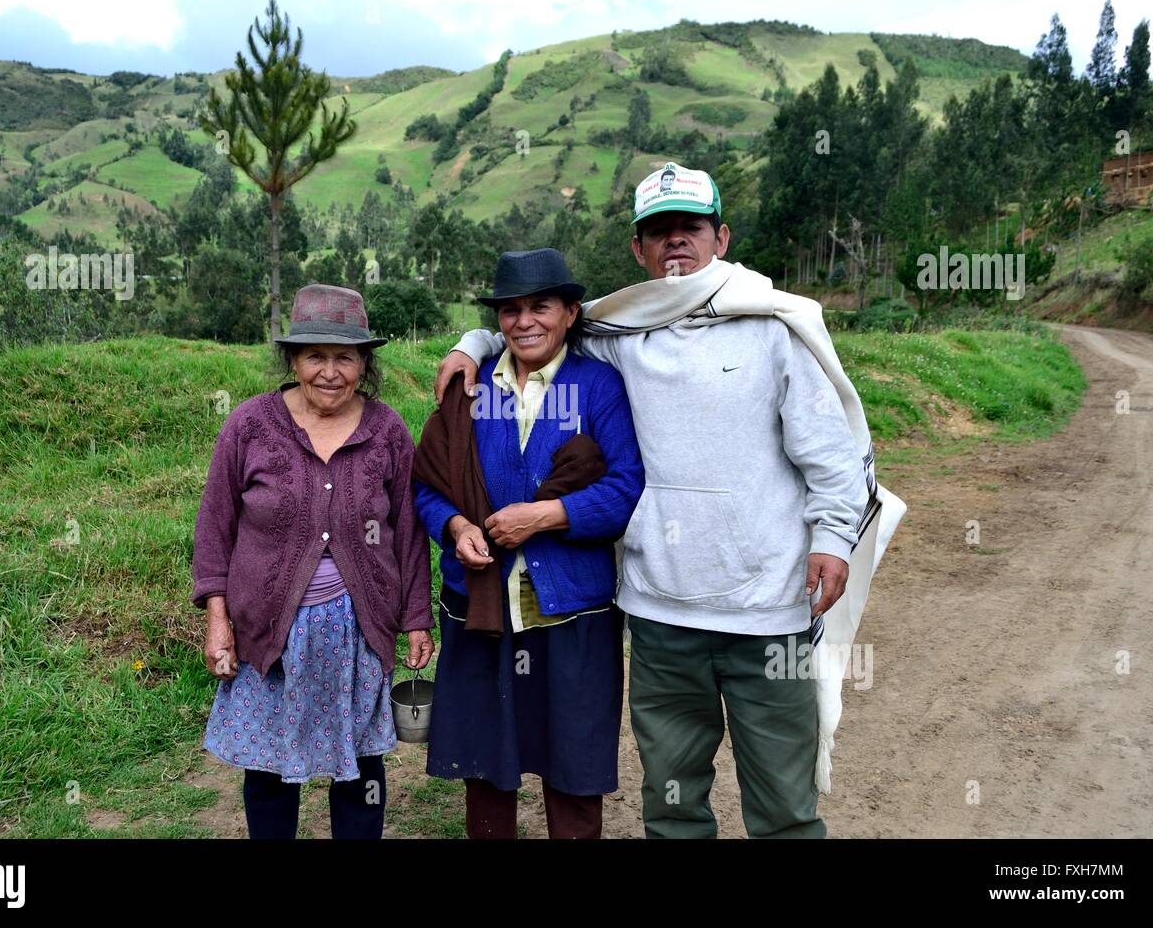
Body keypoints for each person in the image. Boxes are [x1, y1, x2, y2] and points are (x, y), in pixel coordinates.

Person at [435, 163, 872, 839]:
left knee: (784, 805)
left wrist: (834, 539)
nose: (675, 245)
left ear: (720, 236)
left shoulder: (774, 329)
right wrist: (472, 344)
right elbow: (528, 333)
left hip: (767, 606)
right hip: (660, 613)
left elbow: (831, 454)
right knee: (672, 804)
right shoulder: (620, 334)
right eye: (657, 233)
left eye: (689, 229)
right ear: (638, 249)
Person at [413, 248, 644, 839]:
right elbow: (429, 483)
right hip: (481, 606)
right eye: (510, 310)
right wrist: (456, 527)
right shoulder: (471, 389)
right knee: (487, 762)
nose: (524, 321)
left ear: (570, 312)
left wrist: (543, 517)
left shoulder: (597, 386)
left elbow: (625, 486)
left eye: (539, 306)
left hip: (571, 608)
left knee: (574, 760)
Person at [191, 283, 433, 840]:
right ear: (294, 360)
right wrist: (217, 620)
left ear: (364, 363)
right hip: (268, 629)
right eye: (315, 356)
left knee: (361, 771)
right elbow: (215, 529)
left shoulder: (388, 431)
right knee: (271, 770)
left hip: (358, 627)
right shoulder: (250, 425)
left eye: (344, 357)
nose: (330, 371)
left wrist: (416, 617)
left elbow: (409, 533)